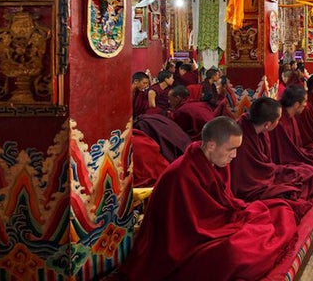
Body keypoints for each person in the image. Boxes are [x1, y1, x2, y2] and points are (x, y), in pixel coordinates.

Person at [120, 117, 298, 280]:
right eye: (231, 149)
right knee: (234, 253)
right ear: (211, 145)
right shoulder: (179, 175)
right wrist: (225, 228)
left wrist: (231, 220)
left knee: (279, 209)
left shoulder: (217, 162)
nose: (235, 155)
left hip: (216, 224)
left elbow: (224, 202)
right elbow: (183, 229)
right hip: (186, 242)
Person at [229, 97, 313, 219]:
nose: (279, 122)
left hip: (266, 173)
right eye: (278, 120)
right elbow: (245, 178)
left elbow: (264, 162)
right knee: (287, 201)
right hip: (251, 186)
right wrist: (270, 174)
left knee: (304, 173)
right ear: (267, 124)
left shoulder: (257, 128)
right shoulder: (241, 138)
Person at [268, 85, 313, 196]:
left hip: (297, 154)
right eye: (304, 102)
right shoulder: (279, 123)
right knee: (310, 173)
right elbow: (282, 153)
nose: (306, 104)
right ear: (296, 104)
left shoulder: (291, 116)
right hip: (286, 162)